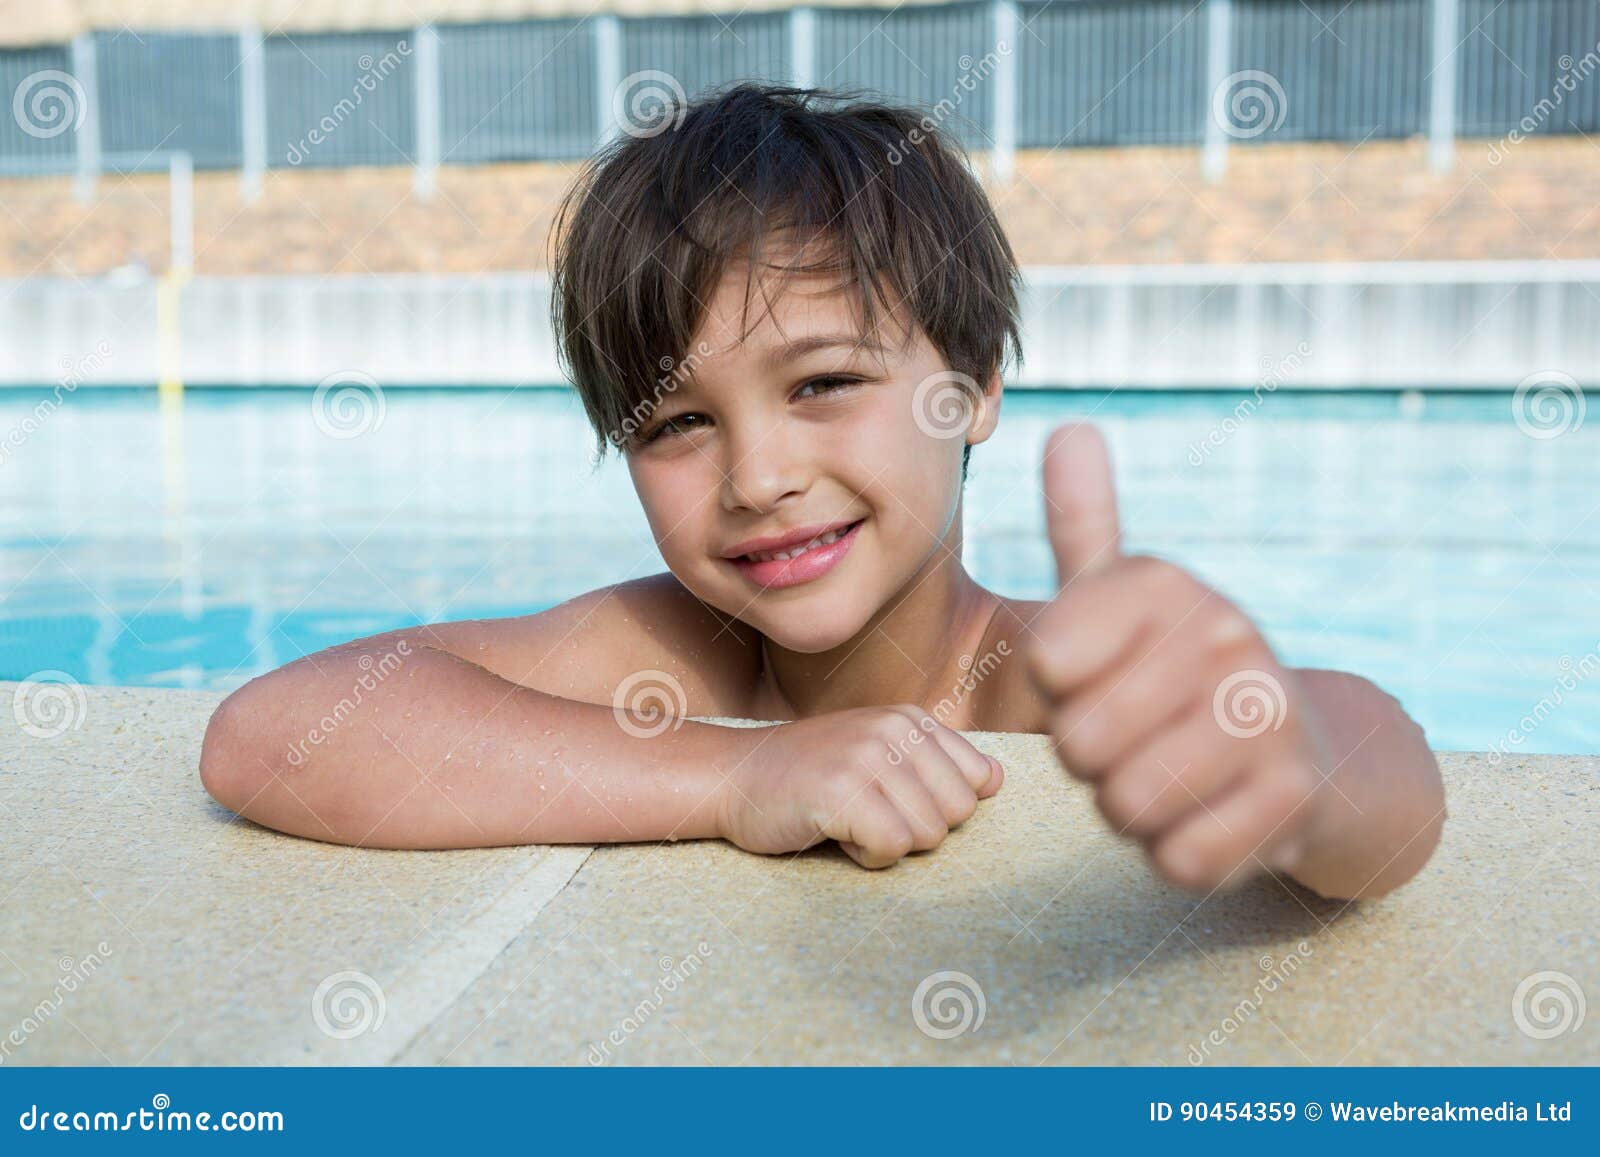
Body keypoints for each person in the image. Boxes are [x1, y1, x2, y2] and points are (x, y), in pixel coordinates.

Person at [199, 85, 1444, 901]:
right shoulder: (666, 657)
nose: (758, 478)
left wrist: (1287, 740)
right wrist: (740, 776)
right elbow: (276, 731)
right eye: (678, 421)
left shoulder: (1037, 674)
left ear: (975, 387)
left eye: (824, 383)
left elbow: (1388, 785)